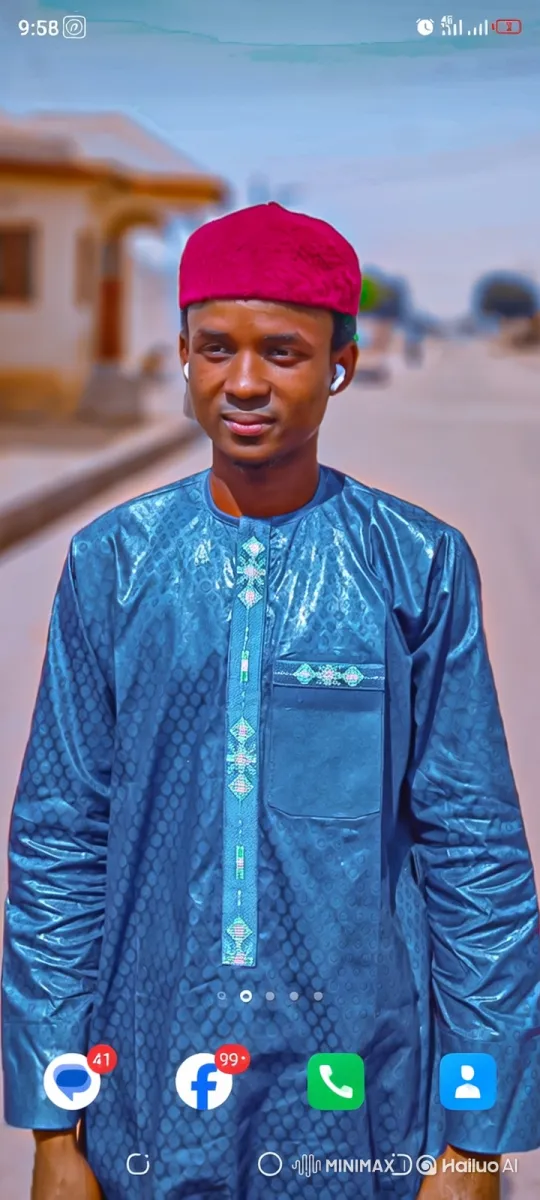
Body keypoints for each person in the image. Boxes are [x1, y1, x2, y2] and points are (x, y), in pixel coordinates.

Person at [2, 202, 540, 1200]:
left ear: (341, 360)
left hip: (361, 1092)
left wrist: (475, 1142)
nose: (244, 383)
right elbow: (59, 838)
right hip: (148, 1087)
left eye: (283, 351)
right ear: (183, 354)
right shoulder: (113, 565)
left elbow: (476, 854)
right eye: (216, 348)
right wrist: (49, 1124)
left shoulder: (415, 565)